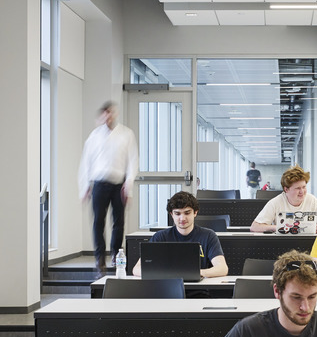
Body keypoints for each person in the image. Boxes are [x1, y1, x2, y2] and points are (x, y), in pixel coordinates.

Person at [78, 101, 138, 276]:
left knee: (118, 222)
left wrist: (129, 186)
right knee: (98, 222)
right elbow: (85, 164)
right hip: (98, 183)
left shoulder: (126, 134)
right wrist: (84, 188)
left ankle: (115, 255)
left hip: (119, 184)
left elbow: (133, 161)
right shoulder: (94, 136)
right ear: (102, 116)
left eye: (112, 113)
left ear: (115, 114)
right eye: (106, 113)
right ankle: (99, 259)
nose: (109, 116)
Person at [133, 191, 228, 279]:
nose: (182, 218)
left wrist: (195, 273)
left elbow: (222, 268)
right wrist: (167, 274)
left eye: (187, 213)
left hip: (198, 292)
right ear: (171, 214)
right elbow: (136, 269)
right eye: (177, 213)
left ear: (195, 212)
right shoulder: (160, 237)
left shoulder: (208, 236)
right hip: (166, 292)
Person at [250, 165, 317, 233]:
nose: (302, 191)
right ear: (286, 189)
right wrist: (277, 227)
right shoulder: (276, 202)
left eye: (304, 187)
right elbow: (254, 227)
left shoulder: (312, 200)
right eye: (297, 188)